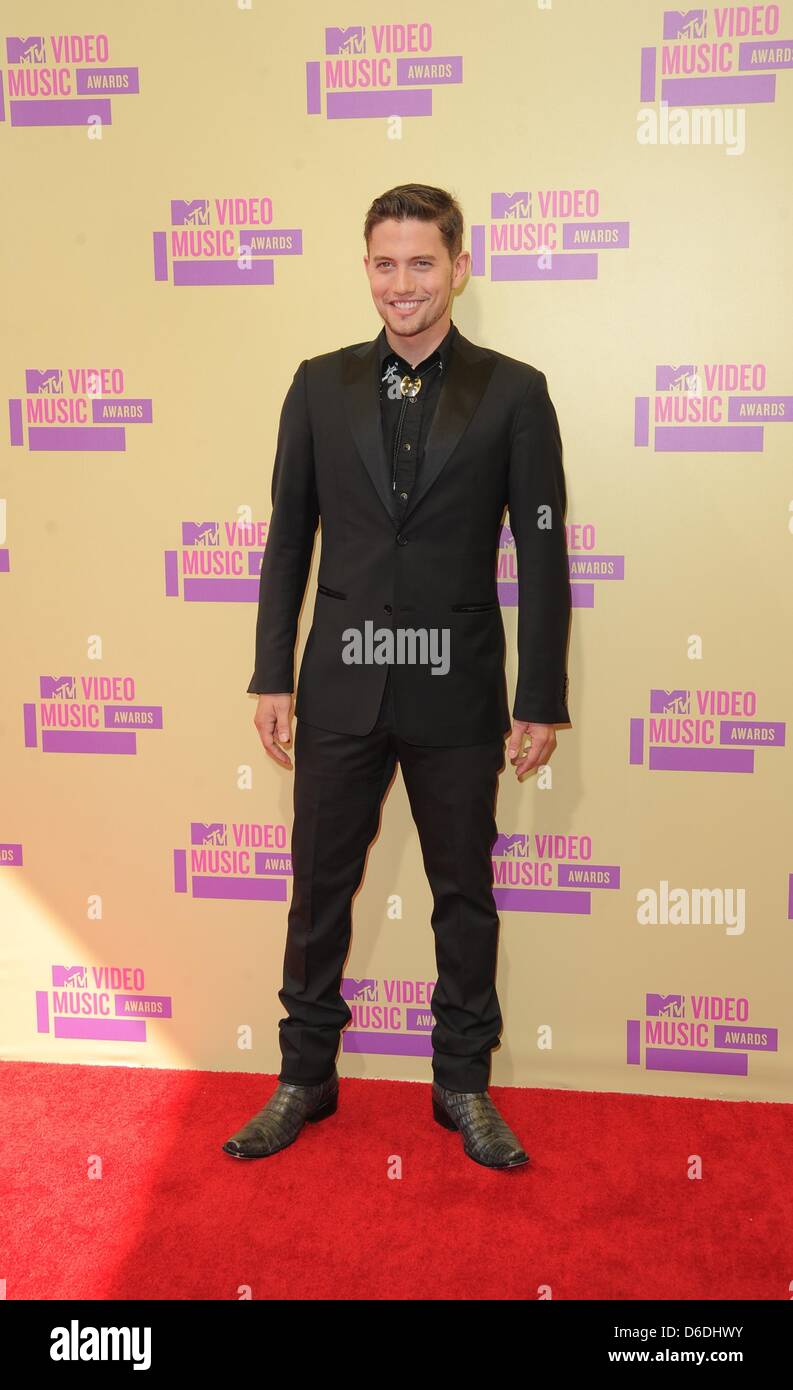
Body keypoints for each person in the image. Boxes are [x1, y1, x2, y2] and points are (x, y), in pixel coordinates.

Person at [222, 184, 571, 1171]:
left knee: (464, 891)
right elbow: (287, 538)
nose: (402, 283)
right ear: (364, 267)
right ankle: (304, 1076)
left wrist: (537, 695)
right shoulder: (317, 385)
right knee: (318, 887)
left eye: (423, 262)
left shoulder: (514, 392)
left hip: (456, 687)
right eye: (385, 263)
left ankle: (462, 1084)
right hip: (340, 681)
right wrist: (270, 675)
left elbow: (540, 554)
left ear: (459, 268)